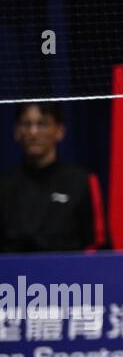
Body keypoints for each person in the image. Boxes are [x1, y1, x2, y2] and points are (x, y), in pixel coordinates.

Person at [0, 102, 105, 254]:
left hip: (71, 275)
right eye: (26, 124)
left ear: (59, 131)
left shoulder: (82, 182)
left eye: (42, 124)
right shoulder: (4, 186)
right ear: (16, 131)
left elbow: (98, 245)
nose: (33, 132)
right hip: (14, 277)